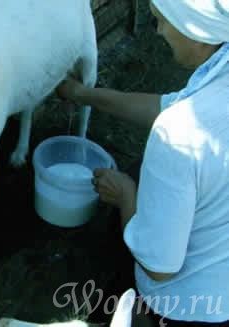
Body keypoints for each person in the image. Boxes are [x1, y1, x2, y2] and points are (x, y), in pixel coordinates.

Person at [57, 0, 229, 326]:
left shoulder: (178, 136)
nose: (159, 31)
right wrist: (82, 94)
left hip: (189, 308)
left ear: (198, 32)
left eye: (162, 21)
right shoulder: (220, 76)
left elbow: (159, 267)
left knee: (133, 193)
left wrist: (126, 195)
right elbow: (168, 107)